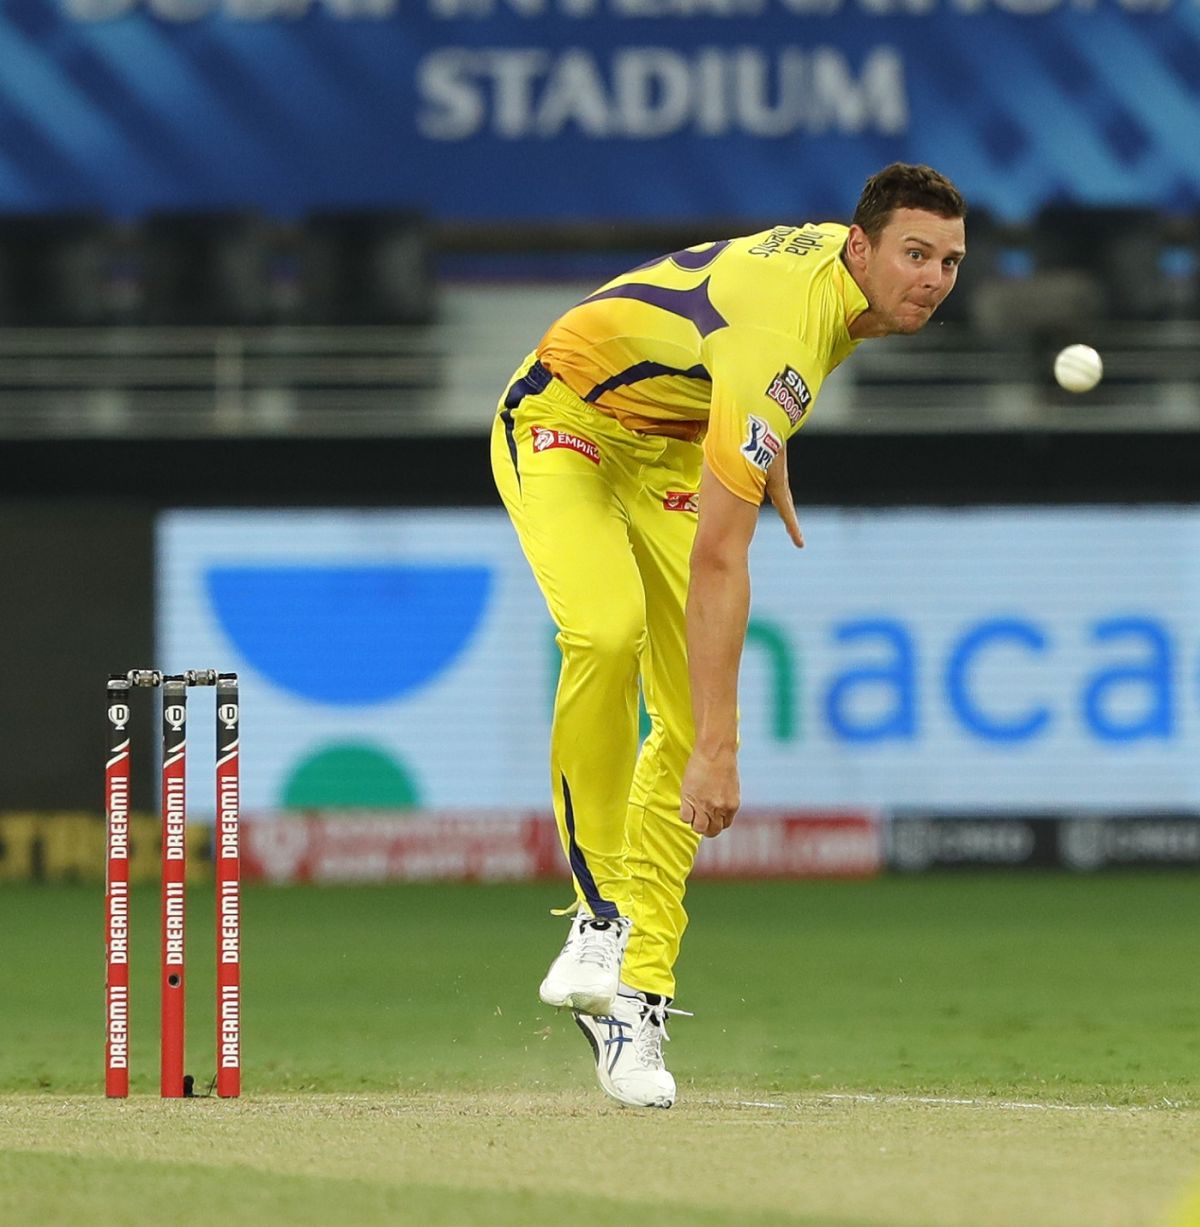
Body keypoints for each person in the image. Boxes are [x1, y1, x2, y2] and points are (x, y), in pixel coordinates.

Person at [491, 163, 966, 1109]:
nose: (935, 279)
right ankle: (597, 915)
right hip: (563, 418)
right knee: (608, 632)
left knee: (675, 711)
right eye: (916, 254)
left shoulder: (843, 288)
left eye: (951, 261)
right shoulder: (786, 332)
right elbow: (720, 559)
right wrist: (721, 747)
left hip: (669, 442)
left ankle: (633, 996)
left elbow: (722, 335)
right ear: (862, 245)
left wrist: (759, 440)